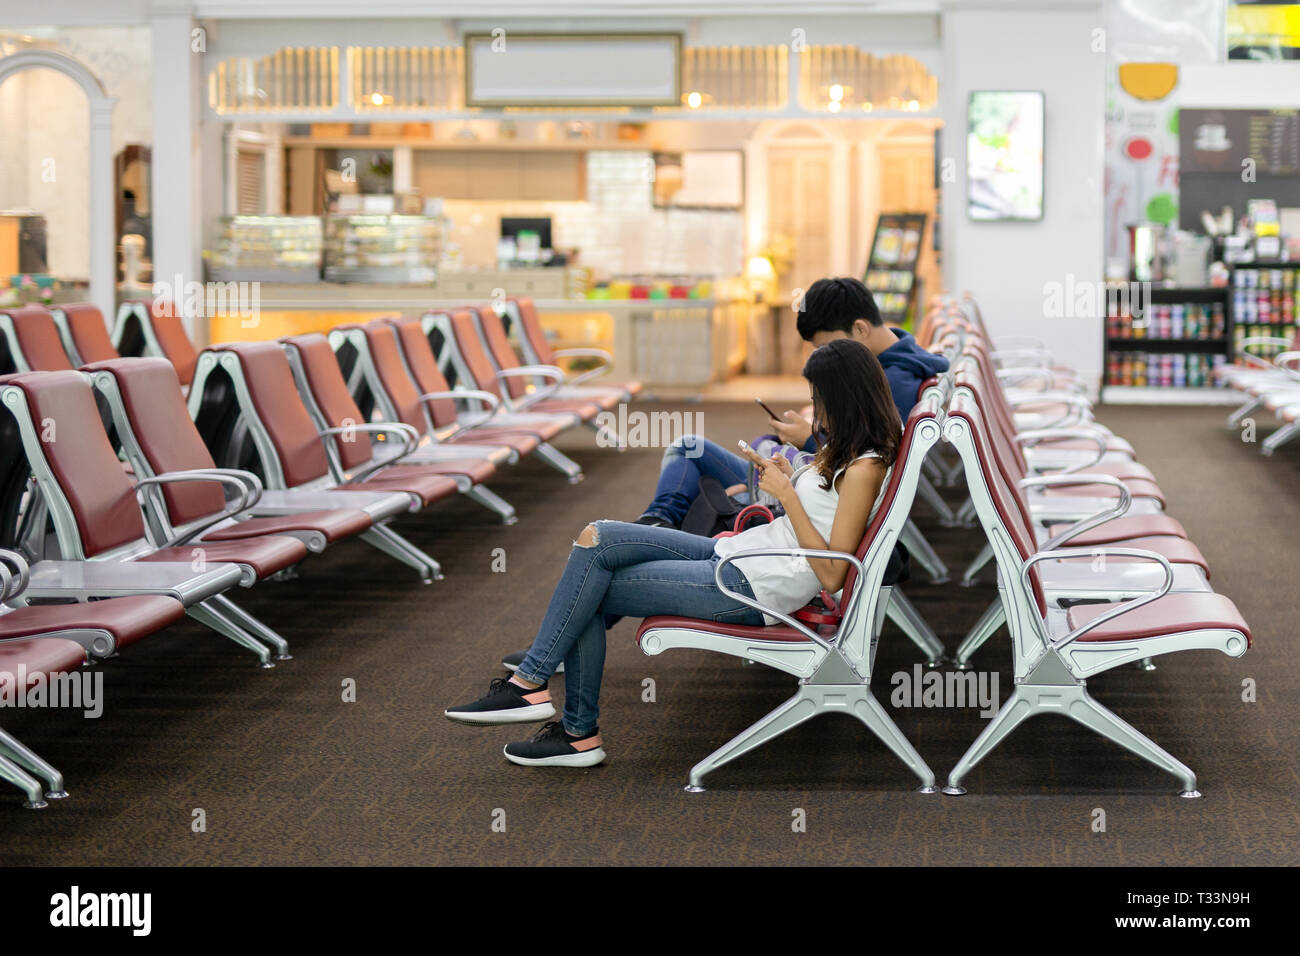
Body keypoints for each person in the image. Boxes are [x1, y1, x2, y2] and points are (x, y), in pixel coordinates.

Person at [445, 339, 901, 767]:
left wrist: (790, 495)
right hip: (740, 553)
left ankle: (560, 716)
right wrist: (791, 474)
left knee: (595, 586)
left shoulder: (865, 466)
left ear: (842, 397)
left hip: (753, 585)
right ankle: (535, 690)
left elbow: (831, 574)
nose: (815, 406)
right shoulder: (850, 448)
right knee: (597, 536)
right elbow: (822, 519)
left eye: (818, 396)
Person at [635, 276, 948, 530]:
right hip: (802, 478)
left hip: (806, 492)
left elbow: (861, 465)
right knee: (690, 451)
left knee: (689, 448)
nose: (824, 358)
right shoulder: (898, 366)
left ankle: (657, 525)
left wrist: (808, 438)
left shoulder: (892, 383)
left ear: (861, 329)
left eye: (829, 346)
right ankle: (658, 524)